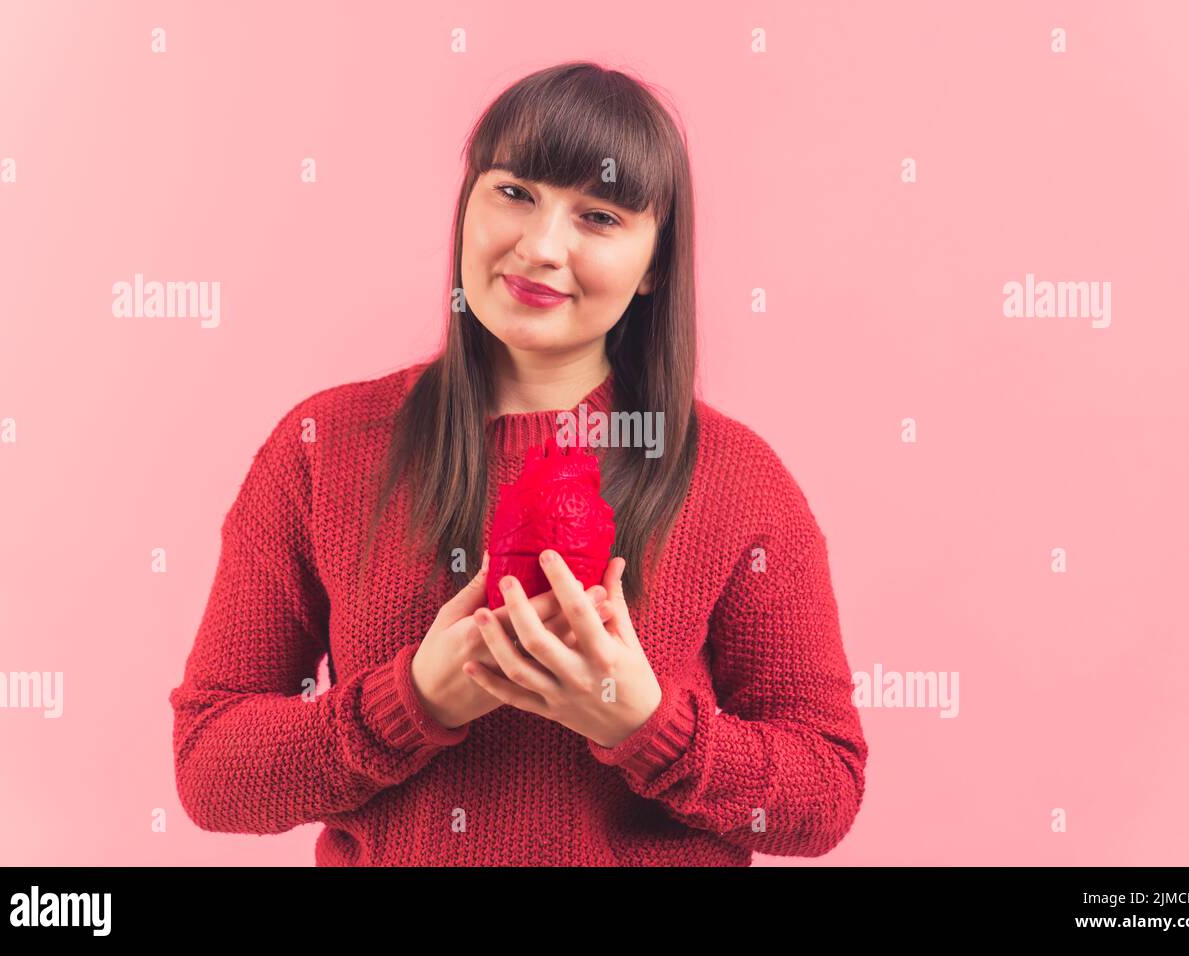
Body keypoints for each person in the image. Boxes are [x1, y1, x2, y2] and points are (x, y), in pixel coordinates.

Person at [168, 60, 867, 867]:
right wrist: (410, 702)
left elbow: (824, 798)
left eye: (599, 217)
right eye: (514, 193)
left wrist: (646, 724)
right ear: (467, 204)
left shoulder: (737, 480)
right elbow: (209, 770)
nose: (540, 247)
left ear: (655, 269)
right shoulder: (324, 448)